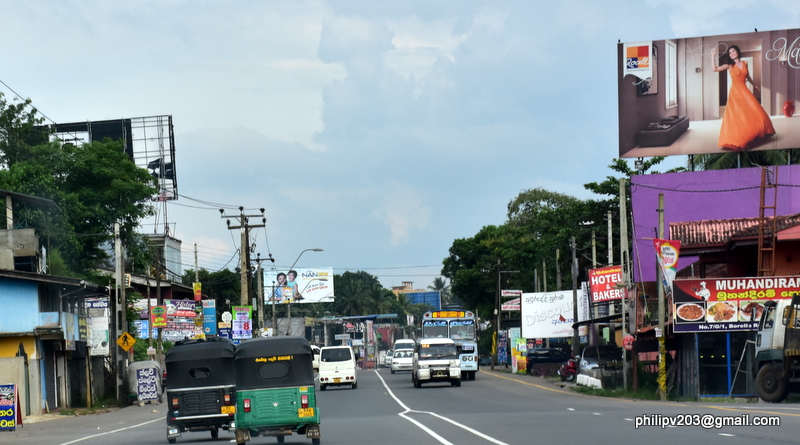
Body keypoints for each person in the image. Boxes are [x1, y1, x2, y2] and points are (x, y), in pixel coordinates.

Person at [712, 45, 775, 150]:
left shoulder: (745, 63)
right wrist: (712, 55)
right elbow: (714, 69)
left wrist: (754, 85)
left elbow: (748, 76)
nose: (731, 54)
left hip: (744, 90)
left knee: (756, 111)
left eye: (733, 51)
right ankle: (741, 138)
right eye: (730, 53)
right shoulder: (729, 65)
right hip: (735, 92)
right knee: (738, 115)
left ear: (737, 52)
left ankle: (758, 132)